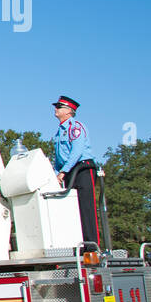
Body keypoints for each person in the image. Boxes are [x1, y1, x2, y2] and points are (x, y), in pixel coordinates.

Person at [51, 94, 101, 245]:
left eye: (59, 107)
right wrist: (56, 173)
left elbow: (76, 151)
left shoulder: (75, 127)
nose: (56, 109)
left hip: (82, 169)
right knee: (72, 210)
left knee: (86, 209)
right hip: (68, 171)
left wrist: (63, 171)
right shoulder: (59, 131)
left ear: (68, 111)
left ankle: (92, 246)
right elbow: (59, 156)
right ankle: (77, 243)